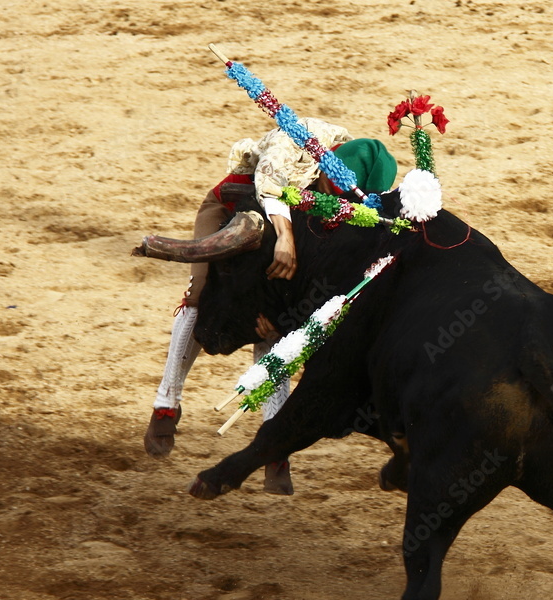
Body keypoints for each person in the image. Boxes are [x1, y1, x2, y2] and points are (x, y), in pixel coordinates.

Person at [144, 118, 398, 495]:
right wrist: (284, 237)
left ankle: (274, 450)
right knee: (199, 291)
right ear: (327, 170)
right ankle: (167, 402)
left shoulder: (351, 199)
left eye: (352, 201)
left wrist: (285, 314)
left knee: (275, 326)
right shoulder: (295, 144)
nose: (341, 206)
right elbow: (268, 186)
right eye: (337, 193)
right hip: (238, 212)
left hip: (294, 239)